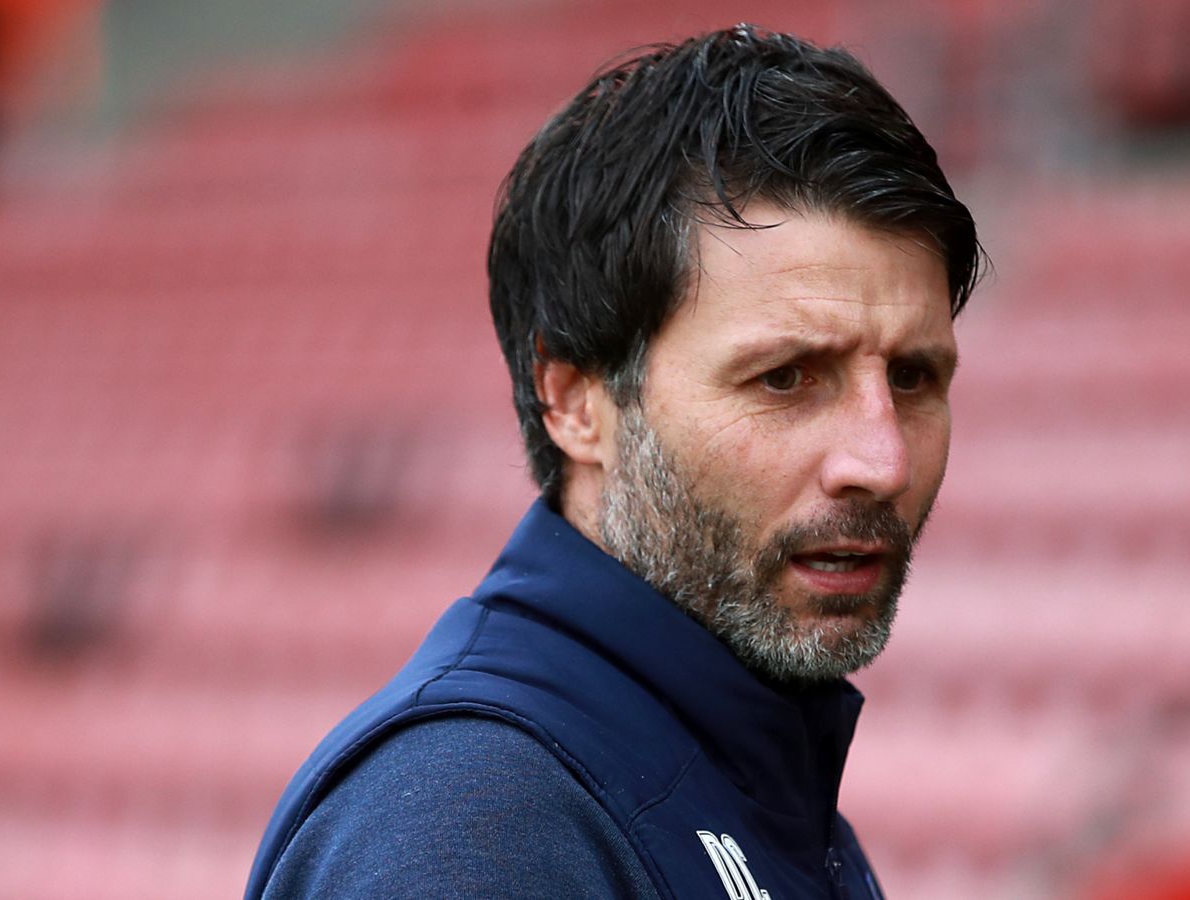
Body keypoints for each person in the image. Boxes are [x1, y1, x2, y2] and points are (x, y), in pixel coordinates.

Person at [246, 24, 981, 900]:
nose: (883, 462)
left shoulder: (760, 775)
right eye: (785, 377)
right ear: (573, 402)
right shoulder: (477, 819)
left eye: (912, 377)